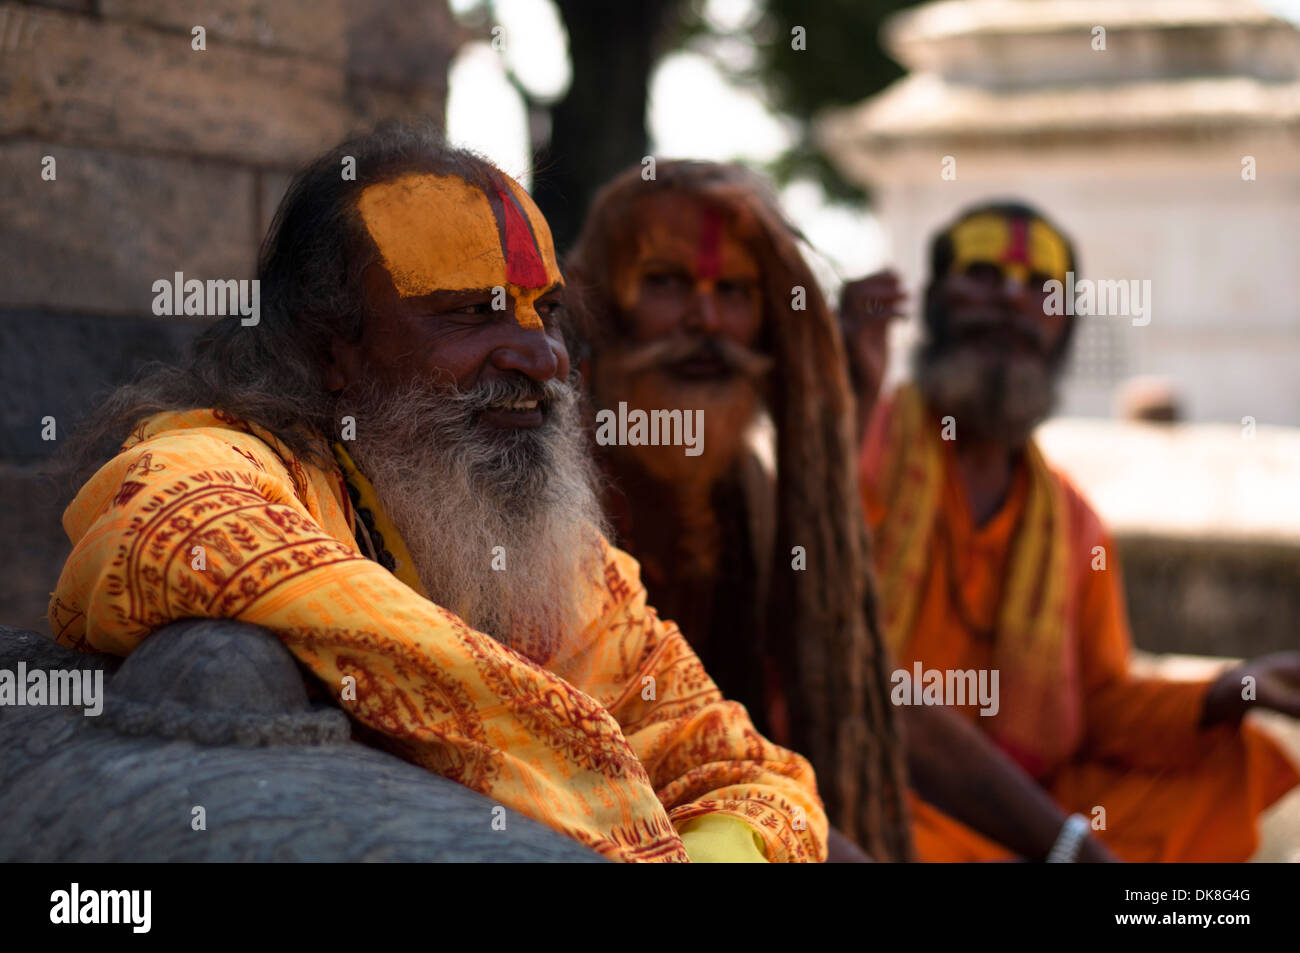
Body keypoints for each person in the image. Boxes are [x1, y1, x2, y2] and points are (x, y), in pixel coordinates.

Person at [48, 124, 828, 864]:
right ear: (331, 348)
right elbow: (176, 526)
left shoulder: (571, 569)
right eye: (470, 312)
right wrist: (580, 756)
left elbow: (745, 774)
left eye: (544, 312)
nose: (540, 356)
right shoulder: (221, 456)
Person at [841, 201, 1300, 862]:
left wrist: (1232, 687)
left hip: (1024, 800)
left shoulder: (1073, 521)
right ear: (937, 301)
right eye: (984, 272)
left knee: (1230, 765)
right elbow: (819, 640)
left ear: (1061, 329)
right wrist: (842, 408)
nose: (1010, 296)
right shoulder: (864, 444)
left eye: (1038, 288)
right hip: (879, 783)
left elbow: (1104, 704)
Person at [566, 160, 911, 861]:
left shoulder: (744, 486)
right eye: (665, 282)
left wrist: (846, 406)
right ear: (598, 300)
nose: (707, 319)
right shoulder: (553, 483)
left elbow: (823, 660)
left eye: (734, 291)